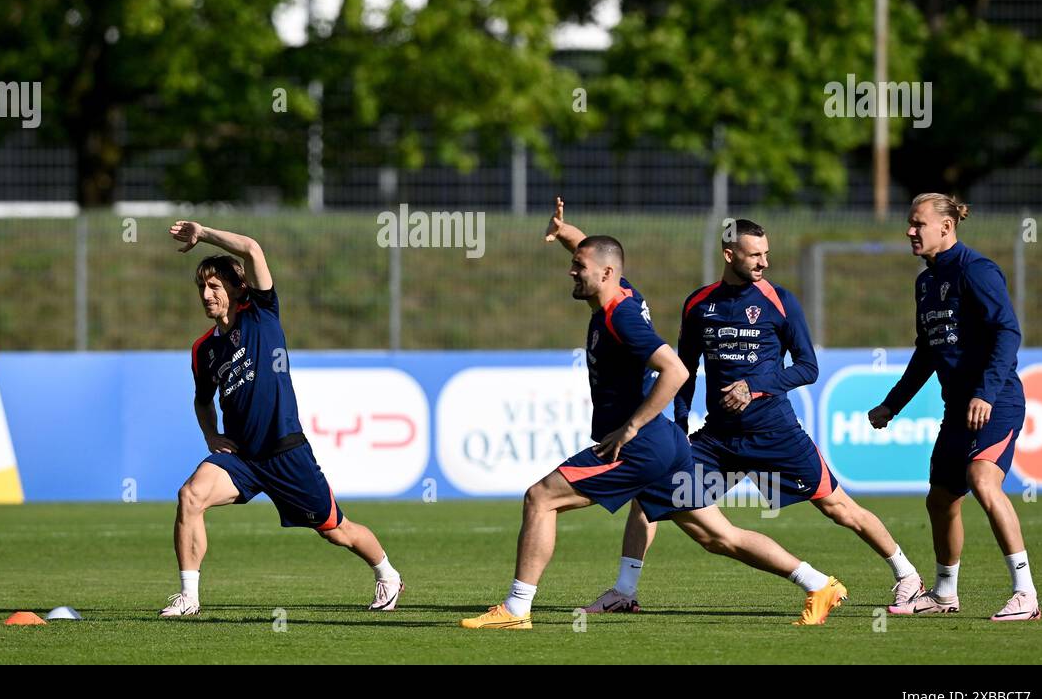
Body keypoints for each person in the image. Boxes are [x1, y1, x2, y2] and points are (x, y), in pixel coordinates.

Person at [461, 204, 847, 629]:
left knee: (540, 498)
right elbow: (599, 256)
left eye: (579, 267)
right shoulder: (621, 290)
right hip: (665, 446)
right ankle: (817, 583)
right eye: (573, 264)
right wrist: (571, 235)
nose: (573, 272)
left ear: (605, 274)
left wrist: (631, 425)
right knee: (718, 537)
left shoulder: (622, 317)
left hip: (643, 446)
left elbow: (676, 369)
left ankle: (516, 609)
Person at [566, 210, 921, 614]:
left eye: (766, 254)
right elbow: (685, 371)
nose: (763, 262)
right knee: (651, 494)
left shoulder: (780, 301)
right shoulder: (699, 305)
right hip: (719, 441)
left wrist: (755, 387)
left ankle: (907, 575)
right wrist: (680, 425)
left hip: (776, 435)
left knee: (839, 508)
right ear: (729, 253)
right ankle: (624, 592)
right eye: (754, 255)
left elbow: (808, 367)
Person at [159, 220, 403, 617]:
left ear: (237, 290)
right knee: (190, 496)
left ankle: (387, 575)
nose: (206, 295)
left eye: (215, 286)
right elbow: (202, 400)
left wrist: (202, 233)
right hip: (241, 459)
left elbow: (252, 249)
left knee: (337, 531)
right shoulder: (203, 350)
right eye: (202, 287)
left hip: (286, 452)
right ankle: (189, 596)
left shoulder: (261, 315)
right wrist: (211, 436)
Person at [869, 194, 1039, 621]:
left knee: (982, 480)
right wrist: (892, 405)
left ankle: (1026, 593)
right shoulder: (926, 283)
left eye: (918, 223)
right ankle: (944, 594)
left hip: (996, 401)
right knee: (941, 499)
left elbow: (1007, 332)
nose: (910, 231)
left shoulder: (976, 270)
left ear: (946, 227)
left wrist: (984, 391)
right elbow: (926, 353)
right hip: (958, 409)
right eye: (909, 223)